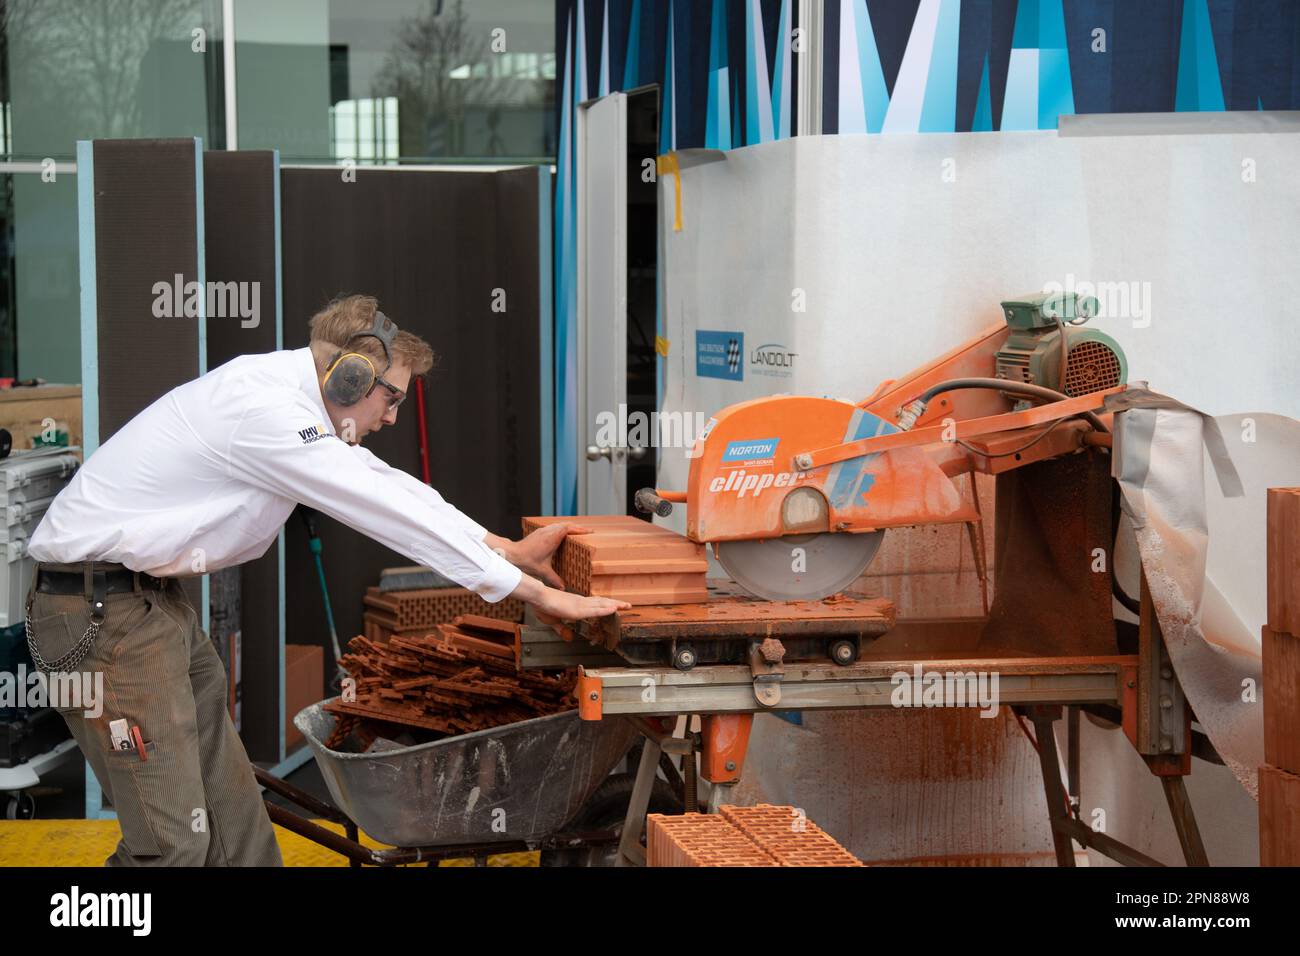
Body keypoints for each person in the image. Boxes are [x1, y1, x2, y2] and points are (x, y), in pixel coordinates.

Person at [25, 294, 627, 866]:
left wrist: (503, 550)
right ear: (352, 376)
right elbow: (377, 507)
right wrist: (536, 594)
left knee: (235, 828)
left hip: (150, 607)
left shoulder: (291, 405)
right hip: (100, 619)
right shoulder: (266, 411)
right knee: (172, 845)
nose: (391, 416)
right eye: (389, 398)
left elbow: (389, 487)